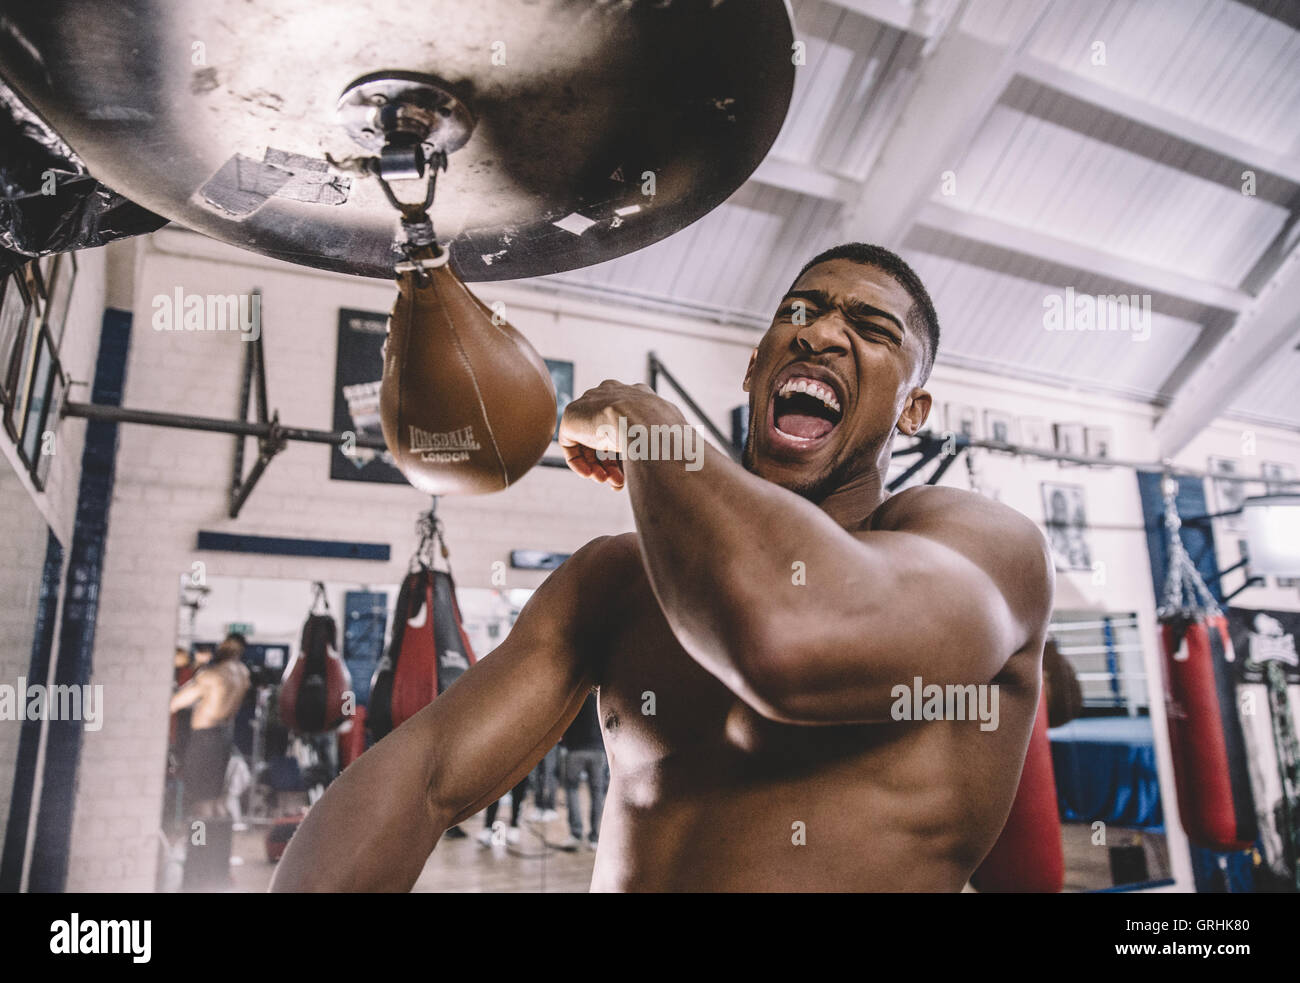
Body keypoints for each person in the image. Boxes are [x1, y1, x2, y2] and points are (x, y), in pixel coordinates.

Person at [273, 242, 1054, 892]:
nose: (820, 334)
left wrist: (648, 425)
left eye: (872, 327)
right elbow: (425, 772)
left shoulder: (982, 544)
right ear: (755, 367)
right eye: (801, 313)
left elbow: (787, 642)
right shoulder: (614, 580)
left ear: (913, 409)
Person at [170, 633, 251, 819]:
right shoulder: (243, 674)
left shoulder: (213, 675)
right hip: (224, 736)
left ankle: (200, 845)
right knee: (217, 799)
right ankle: (217, 847)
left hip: (205, 739)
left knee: (200, 801)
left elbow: (175, 703)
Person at [558, 692, 607, 851]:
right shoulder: (601, 693)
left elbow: (564, 720)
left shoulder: (574, 694)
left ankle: (576, 834)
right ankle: (594, 837)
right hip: (598, 750)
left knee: (572, 790)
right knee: (597, 792)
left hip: (575, 749)